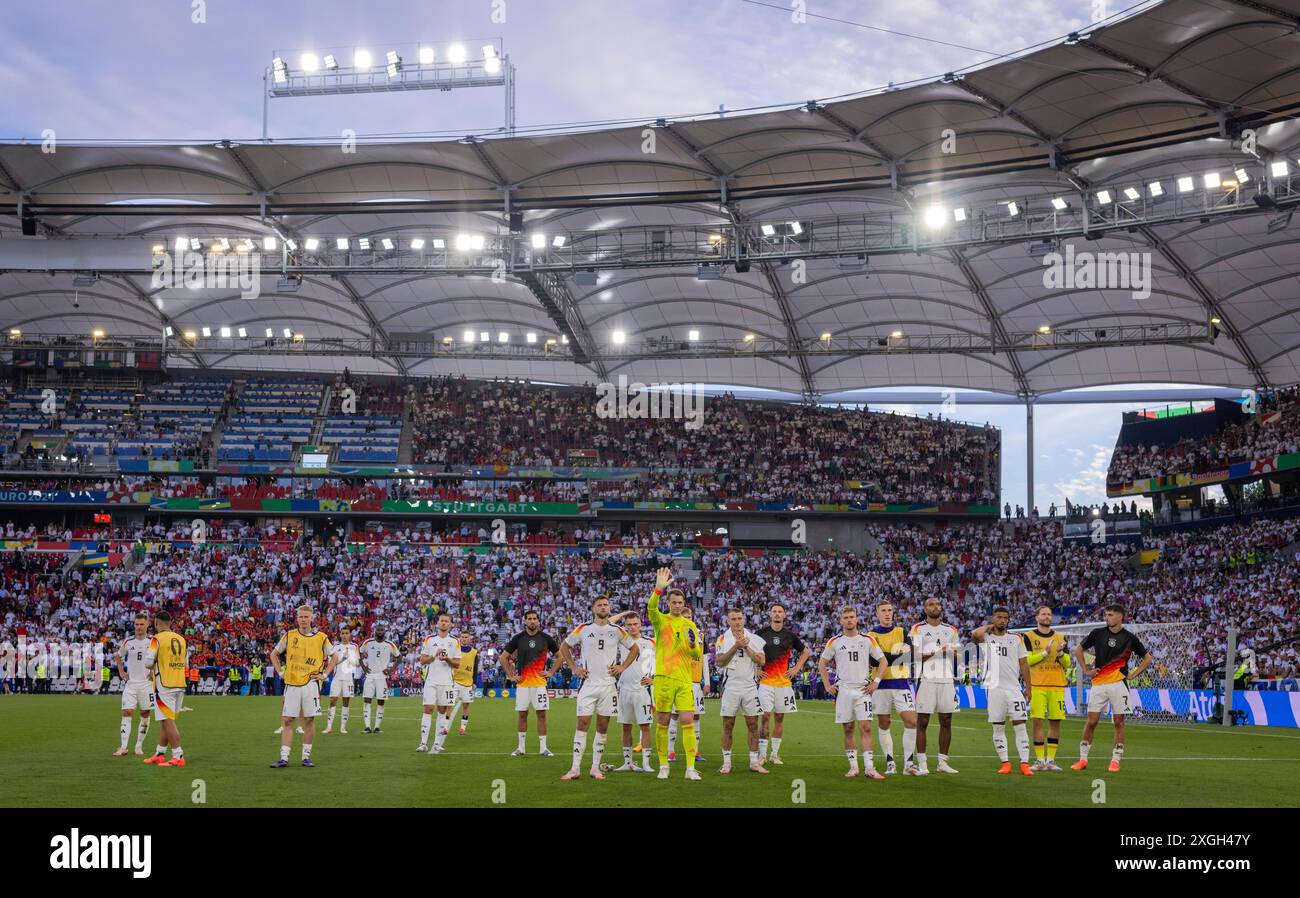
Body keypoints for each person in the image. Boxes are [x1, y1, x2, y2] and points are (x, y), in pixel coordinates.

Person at [555, 595, 637, 781]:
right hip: (588, 684)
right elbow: (564, 647)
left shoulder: (617, 630)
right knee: (582, 723)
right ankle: (575, 768)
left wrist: (622, 667)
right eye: (599, 605)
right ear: (593, 608)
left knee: (602, 726)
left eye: (606, 605)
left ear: (609, 608)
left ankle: (594, 768)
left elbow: (634, 649)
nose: (603, 607)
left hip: (608, 686)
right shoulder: (583, 629)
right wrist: (574, 667)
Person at [1071, 604, 1152, 773]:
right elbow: (1077, 650)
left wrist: (1134, 674)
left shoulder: (1130, 638)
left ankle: (1115, 760)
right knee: (1092, 721)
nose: (1106, 617)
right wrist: (1086, 670)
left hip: (1119, 684)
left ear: (1120, 617)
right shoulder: (1097, 633)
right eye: (1106, 614)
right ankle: (1082, 759)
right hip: (1099, 683)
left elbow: (1147, 658)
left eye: (1110, 615)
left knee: (1119, 722)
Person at [646, 566, 703, 780]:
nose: (677, 606)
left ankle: (690, 768)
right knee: (662, 722)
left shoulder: (690, 624)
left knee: (687, 720)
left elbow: (696, 654)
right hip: (662, 679)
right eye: (674, 603)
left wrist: (691, 644)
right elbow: (651, 609)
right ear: (669, 604)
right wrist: (658, 590)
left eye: (680, 603)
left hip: (684, 680)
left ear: (684, 604)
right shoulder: (661, 621)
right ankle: (663, 766)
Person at [819, 606, 888, 780]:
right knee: (848, 728)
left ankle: (870, 768)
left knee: (865, 727)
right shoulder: (835, 641)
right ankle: (853, 767)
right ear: (841, 620)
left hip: (862, 690)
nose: (849, 620)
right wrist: (827, 685)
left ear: (856, 619)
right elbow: (822, 663)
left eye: (852, 617)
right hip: (843, 691)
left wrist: (876, 682)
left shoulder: (867, 640)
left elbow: (883, 661)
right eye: (846, 617)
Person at [268, 604, 334, 768]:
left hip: (311, 684)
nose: (303, 619)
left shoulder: (321, 637)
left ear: (311, 618)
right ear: (297, 618)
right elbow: (274, 654)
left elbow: (335, 657)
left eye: (306, 617)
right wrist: (281, 672)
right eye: (301, 617)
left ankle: (306, 757)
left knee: (309, 720)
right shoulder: (289, 636)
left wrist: (325, 674)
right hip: (291, 683)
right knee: (288, 720)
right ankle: (284, 758)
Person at [973, 607, 1035, 776]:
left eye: (1005, 618)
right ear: (993, 618)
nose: (1002, 620)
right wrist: (989, 626)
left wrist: (1029, 688)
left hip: (1014, 688)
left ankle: (1024, 764)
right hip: (994, 689)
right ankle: (1005, 763)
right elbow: (975, 634)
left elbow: (1024, 664)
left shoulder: (1016, 639)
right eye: (999, 617)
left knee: (1020, 724)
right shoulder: (987, 637)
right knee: (998, 726)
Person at [909, 596, 962, 775]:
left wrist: (953, 652)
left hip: (947, 679)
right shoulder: (918, 629)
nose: (935, 607)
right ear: (925, 609)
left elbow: (959, 654)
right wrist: (938, 651)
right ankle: (922, 762)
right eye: (931, 604)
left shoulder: (951, 630)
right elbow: (915, 655)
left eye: (938, 604)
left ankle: (943, 763)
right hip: (927, 679)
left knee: (946, 721)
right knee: (922, 721)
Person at [713, 607, 769, 775]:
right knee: (728, 724)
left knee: (753, 724)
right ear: (728, 621)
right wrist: (735, 646)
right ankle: (727, 762)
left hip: (750, 686)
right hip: (731, 686)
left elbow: (762, 661)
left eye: (739, 618)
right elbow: (720, 662)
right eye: (734, 619)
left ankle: (754, 762)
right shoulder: (723, 639)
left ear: (744, 619)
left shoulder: (754, 638)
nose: (737, 622)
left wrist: (746, 647)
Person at [868, 601, 919, 775]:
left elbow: (909, 656)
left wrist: (886, 656)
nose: (887, 613)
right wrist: (896, 655)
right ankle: (890, 762)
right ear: (877, 613)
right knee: (884, 723)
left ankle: (909, 764)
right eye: (883, 611)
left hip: (901, 683)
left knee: (912, 722)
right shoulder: (871, 635)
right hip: (880, 685)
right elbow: (873, 660)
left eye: (890, 610)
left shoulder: (902, 632)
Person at [756, 602, 809, 766]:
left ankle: (774, 754)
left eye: (780, 611)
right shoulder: (761, 633)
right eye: (774, 611)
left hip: (784, 684)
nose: (777, 614)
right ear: (770, 614)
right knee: (765, 717)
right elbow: (752, 652)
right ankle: (762, 755)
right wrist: (757, 669)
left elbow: (805, 652)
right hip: (766, 682)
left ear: (784, 615)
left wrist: (796, 668)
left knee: (779, 718)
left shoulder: (790, 635)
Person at [501, 610, 560, 757]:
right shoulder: (518, 638)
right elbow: (503, 657)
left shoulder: (546, 638)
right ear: (525, 621)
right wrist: (510, 676)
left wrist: (551, 672)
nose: (532, 621)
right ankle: (521, 748)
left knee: (541, 715)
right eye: (529, 619)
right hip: (523, 684)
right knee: (522, 715)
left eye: (534, 618)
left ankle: (543, 748)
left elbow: (560, 657)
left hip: (539, 684)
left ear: (538, 621)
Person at [1022, 604, 1071, 771]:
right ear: (1037, 617)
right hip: (1037, 686)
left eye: (1049, 614)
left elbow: (1067, 663)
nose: (1047, 617)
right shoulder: (1027, 637)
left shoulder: (1061, 637)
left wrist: (1059, 654)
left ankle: (1050, 760)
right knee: (1037, 722)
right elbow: (1027, 661)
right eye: (1043, 614)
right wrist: (1045, 652)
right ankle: (1039, 760)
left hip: (1057, 685)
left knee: (1055, 722)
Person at [609, 609, 655, 773]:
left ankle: (646, 763)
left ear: (641, 624)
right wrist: (624, 613)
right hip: (625, 689)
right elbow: (608, 623)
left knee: (645, 727)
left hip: (643, 690)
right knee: (626, 727)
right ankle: (627, 763)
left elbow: (662, 662)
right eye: (629, 625)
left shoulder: (650, 642)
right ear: (625, 626)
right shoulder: (622, 640)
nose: (632, 627)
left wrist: (654, 678)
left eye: (635, 624)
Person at [142, 610, 188, 767]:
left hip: (164, 684)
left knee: (167, 721)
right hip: (179, 683)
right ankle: (160, 753)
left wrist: (153, 667)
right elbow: (186, 664)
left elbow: (148, 662)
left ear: (156, 623)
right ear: (170, 623)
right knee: (166, 720)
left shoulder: (156, 639)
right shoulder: (181, 639)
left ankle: (178, 755)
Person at [668, 604, 709, 763]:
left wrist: (707, 682)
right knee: (675, 714)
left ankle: (695, 751)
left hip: (695, 681)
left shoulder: (700, 635)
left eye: (689, 617)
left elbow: (704, 659)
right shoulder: (673, 634)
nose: (687, 620)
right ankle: (671, 752)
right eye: (684, 618)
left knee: (696, 715)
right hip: (678, 680)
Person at [418, 612, 460, 754]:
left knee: (442, 711)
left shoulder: (455, 641)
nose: (443, 623)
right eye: (441, 620)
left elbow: (457, 664)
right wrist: (434, 656)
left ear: (450, 624)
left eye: (446, 621)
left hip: (447, 682)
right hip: (431, 681)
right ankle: (423, 743)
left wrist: (447, 658)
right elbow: (423, 660)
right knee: (428, 709)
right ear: (437, 623)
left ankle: (436, 743)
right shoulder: (429, 639)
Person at [113, 612, 154, 757]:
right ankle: (123, 747)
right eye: (136, 624)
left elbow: (159, 659)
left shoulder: (153, 642)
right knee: (127, 713)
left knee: (145, 714)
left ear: (147, 624)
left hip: (147, 685)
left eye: (142, 624)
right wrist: (121, 672)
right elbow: (118, 655)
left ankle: (138, 746)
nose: (139, 627)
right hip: (130, 685)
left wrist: (154, 672)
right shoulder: (128, 642)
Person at [323, 625, 359, 735]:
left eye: (346, 633)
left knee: (346, 702)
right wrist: (343, 657)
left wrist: (350, 658)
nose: (344, 635)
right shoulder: (335, 646)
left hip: (348, 678)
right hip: (337, 677)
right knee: (333, 700)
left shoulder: (354, 646)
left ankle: (343, 727)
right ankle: (329, 727)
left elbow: (357, 663)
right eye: (342, 633)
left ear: (350, 635)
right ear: (340, 634)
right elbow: (331, 663)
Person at [449, 632, 479, 735]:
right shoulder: (454, 650)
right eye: (462, 637)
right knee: (449, 704)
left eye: (466, 637)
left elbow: (475, 668)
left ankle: (462, 728)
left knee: (466, 706)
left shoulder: (475, 652)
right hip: (454, 682)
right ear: (459, 639)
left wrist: (474, 682)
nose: (464, 639)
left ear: (469, 639)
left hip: (468, 683)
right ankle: (445, 727)